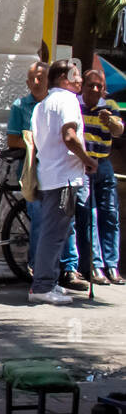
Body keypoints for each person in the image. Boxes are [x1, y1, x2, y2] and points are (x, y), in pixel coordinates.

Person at [30, 59, 98, 305]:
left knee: (54, 231)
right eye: (76, 75)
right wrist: (87, 159)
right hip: (64, 179)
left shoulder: (42, 105)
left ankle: (48, 282)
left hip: (49, 176)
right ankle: (42, 286)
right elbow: (69, 136)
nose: (80, 80)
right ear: (64, 78)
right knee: (55, 234)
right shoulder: (67, 100)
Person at [81, 67, 124, 284]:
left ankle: (112, 266)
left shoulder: (110, 106)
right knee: (92, 215)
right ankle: (96, 265)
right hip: (85, 163)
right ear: (83, 86)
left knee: (110, 214)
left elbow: (119, 130)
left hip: (104, 163)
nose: (96, 89)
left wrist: (111, 122)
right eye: (91, 85)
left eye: (100, 86)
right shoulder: (76, 105)